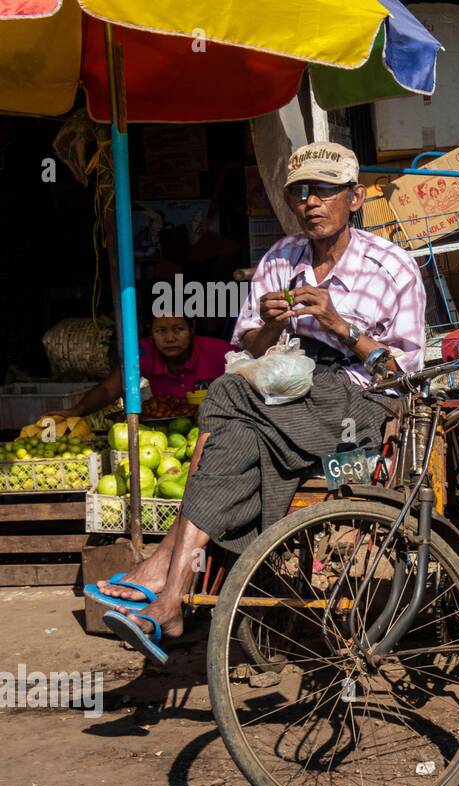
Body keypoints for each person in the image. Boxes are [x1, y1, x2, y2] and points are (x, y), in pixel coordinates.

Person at [87, 142, 427, 664]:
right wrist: (270, 324)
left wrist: (339, 324)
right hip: (285, 391)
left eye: (326, 190)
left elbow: (404, 377)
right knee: (237, 424)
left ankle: (163, 566)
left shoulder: (393, 268)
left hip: (359, 399)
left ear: (356, 197)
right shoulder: (280, 258)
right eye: (300, 192)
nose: (312, 201)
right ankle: (172, 597)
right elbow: (248, 348)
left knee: (228, 397)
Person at [43, 313, 230, 417]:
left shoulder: (220, 352)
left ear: (192, 329)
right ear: (151, 332)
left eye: (178, 329)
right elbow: (110, 389)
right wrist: (78, 410)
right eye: (161, 331)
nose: (170, 338)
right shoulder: (144, 351)